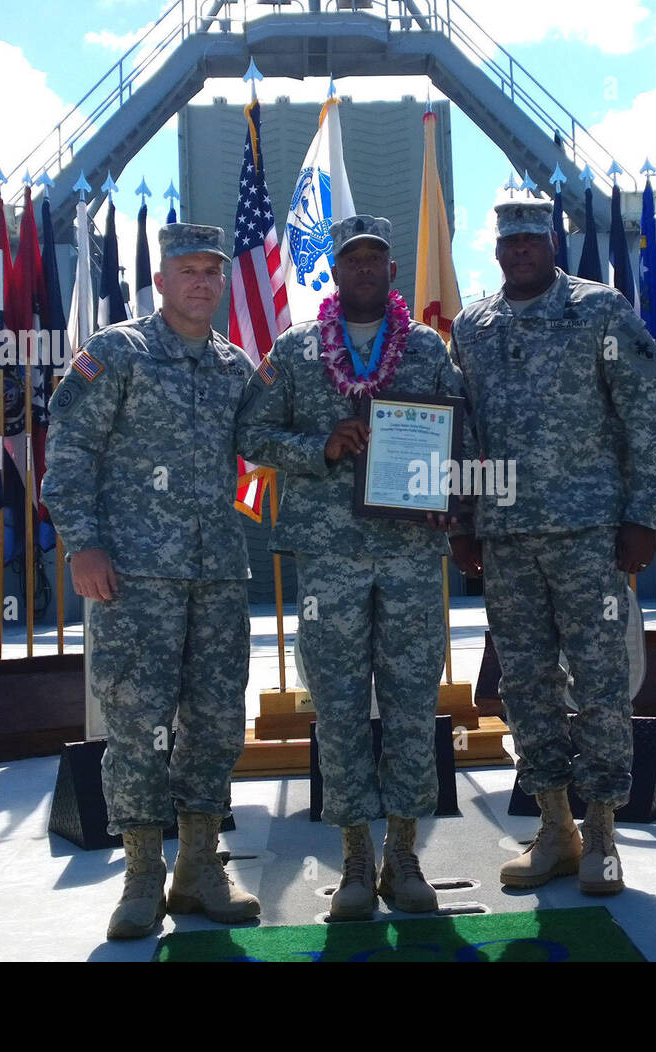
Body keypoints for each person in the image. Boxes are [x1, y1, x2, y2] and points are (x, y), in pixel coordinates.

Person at [448, 200, 656, 895]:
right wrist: (462, 519)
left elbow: (652, 413)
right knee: (525, 686)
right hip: (508, 541)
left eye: (531, 239)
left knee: (602, 684)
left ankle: (603, 833)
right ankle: (554, 827)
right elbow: (466, 433)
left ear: (551, 241)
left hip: (591, 535)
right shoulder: (473, 327)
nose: (520, 251)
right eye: (509, 242)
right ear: (496, 250)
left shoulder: (600, 312)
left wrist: (644, 516)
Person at [239, 215, 465, 921]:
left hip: (407, 554)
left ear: (392, 272)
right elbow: (250, 432)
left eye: (375, 259)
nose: (363, 269)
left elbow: (461, 431)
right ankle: (355, 860)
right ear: (333, 273)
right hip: (329, 558)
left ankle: (404, 854)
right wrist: (320, 446)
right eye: (350, 260)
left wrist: (443, 487)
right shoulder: (296, 350)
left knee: (408, 702)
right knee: (336, 707)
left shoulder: (427, 348)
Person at [41, 223, 259, 939]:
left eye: (211, 271)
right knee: (137, 724)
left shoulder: (234, 369)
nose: (200, 281)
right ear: (160, 282)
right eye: (186, 270)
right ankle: (141, 876)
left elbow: (258, 462)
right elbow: (69, 448)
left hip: (220, 576)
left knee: (216, 723)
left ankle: (199, 868)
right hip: (133, 578)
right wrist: (83, 544)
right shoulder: (117, 354)